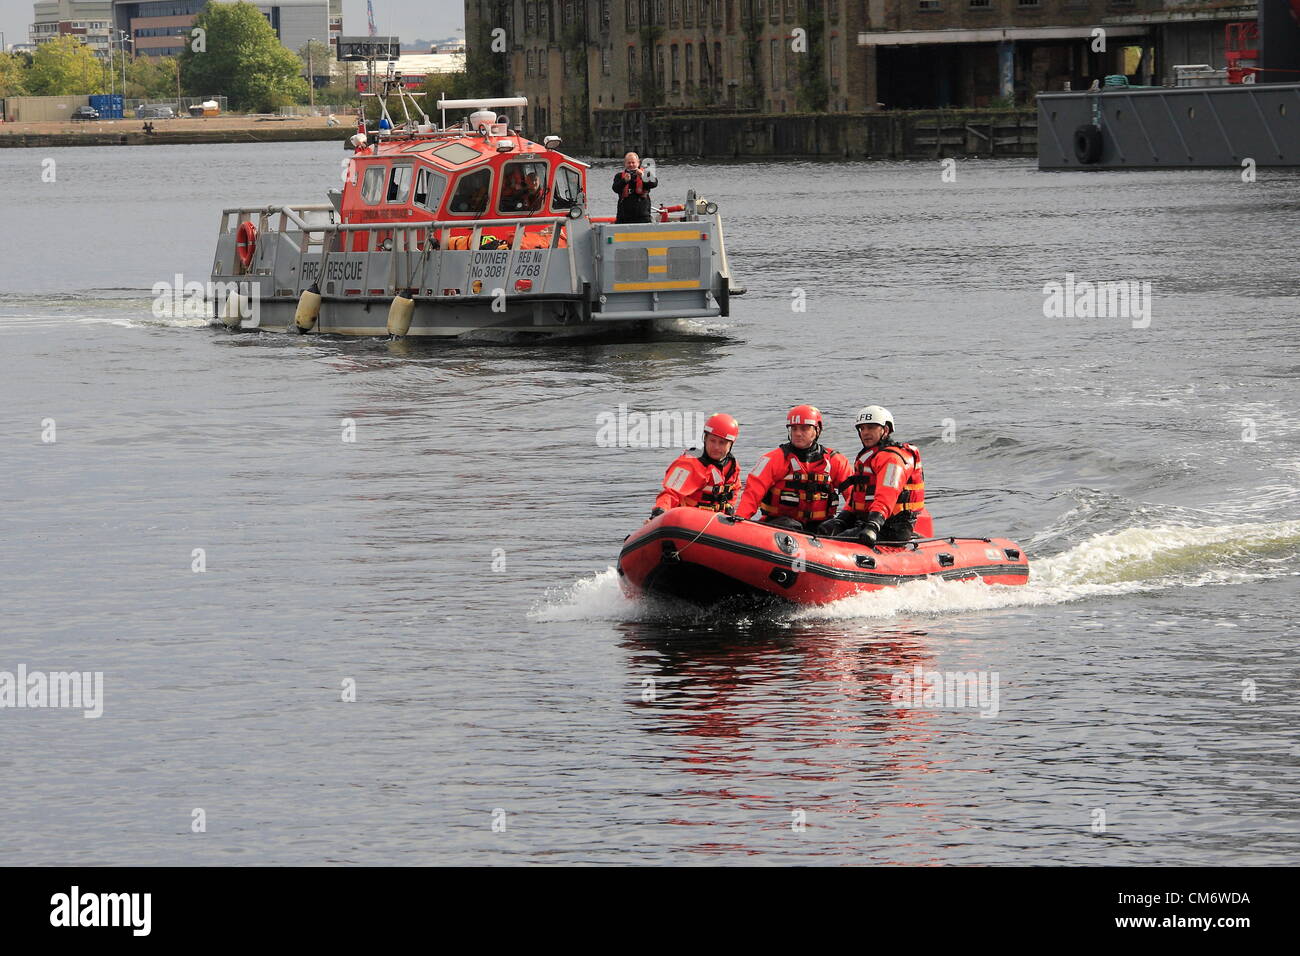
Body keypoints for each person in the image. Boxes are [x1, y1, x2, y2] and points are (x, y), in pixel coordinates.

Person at [816, 405, 933, 546]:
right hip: (868, 521)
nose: (865, 433)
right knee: (824, 530)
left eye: (871, 427)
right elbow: (858, 495)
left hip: (892, 527)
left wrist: (873, 525)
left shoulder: (892, 460)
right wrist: (843, 518)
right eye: (862, 428)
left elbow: (887, 495)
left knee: (835, 543)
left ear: (886, 430)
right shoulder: (869, 457)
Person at [735, 405, 852, 533]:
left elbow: (853, 496)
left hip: (819, 528)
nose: (797, 433)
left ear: (817, 430)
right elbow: (752, 493)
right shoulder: (773, 459)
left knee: (834, 528)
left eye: (804, 429)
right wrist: (740, 519)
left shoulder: (835, 461)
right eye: (794, 428)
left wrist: (843, 520)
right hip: (780, 525)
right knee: (791, 526)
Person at [649, 413, 741, 519]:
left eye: (722, 443)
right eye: (712, 440)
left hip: (717, 522)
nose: (716, 447)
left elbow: (734, 492)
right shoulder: (690, 463)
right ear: (705, 438)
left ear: (730, 445)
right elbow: (670, 494)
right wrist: (659, 513)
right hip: (690, 520)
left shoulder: (732, 466)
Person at [613, 151, 657, 224]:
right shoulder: (619, 176)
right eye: (629, 163)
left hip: (642, 215)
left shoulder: (646, 174)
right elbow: (615, 189)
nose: (631, 165)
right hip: (624, 216)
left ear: (638, 163)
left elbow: (654, 184)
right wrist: (624, 181)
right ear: (625, 163)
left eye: (633, 162)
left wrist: (643, 176)